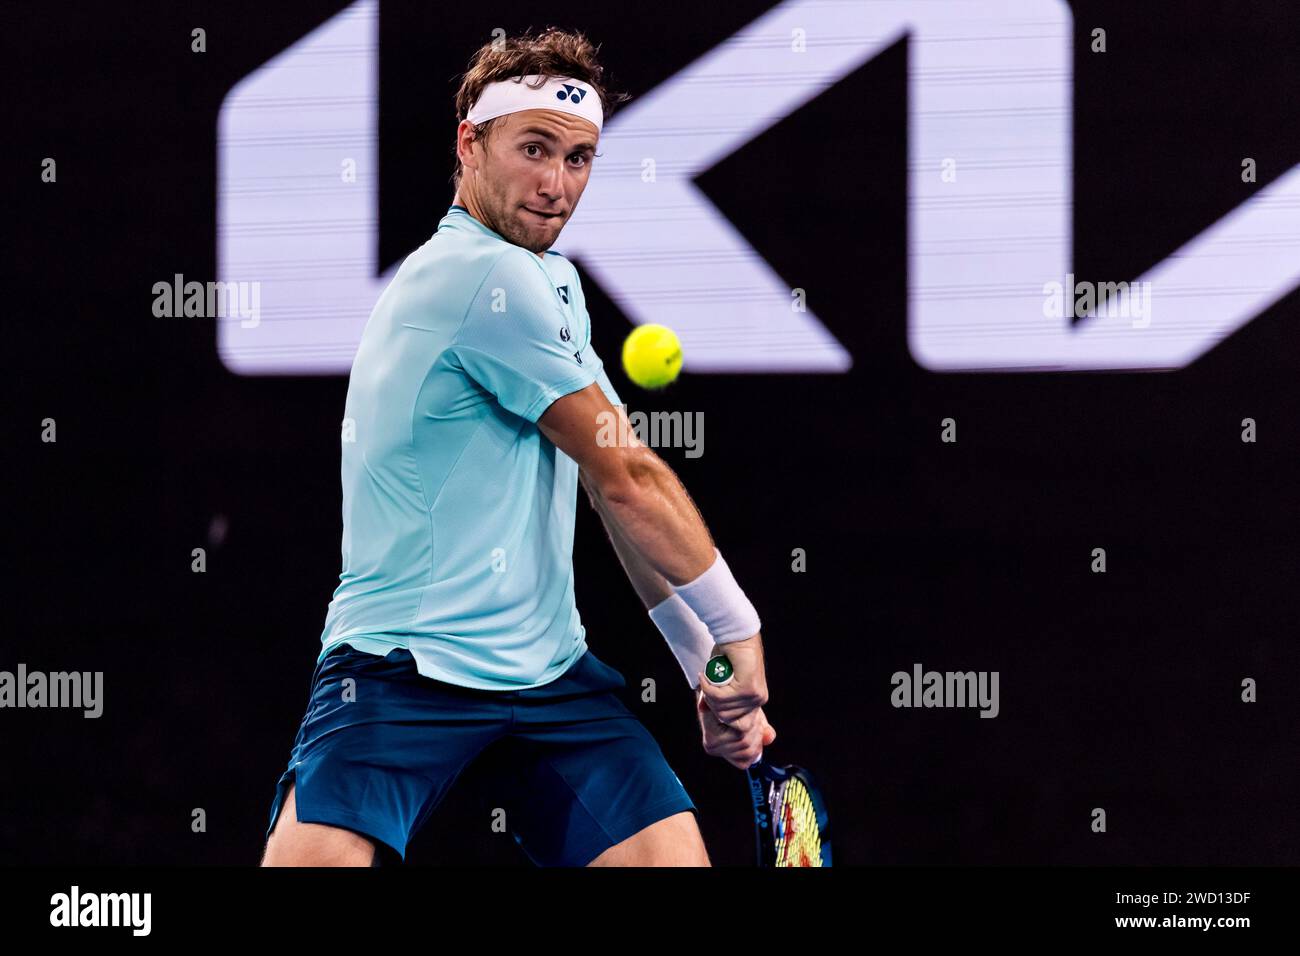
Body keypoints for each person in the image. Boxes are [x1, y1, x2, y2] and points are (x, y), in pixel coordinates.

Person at [261, 26, 774, 868]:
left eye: (578, 159)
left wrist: (703, 664)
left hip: (548, 676)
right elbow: (635, 476)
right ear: (470, 143)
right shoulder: (480, 277)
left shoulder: (550, 280)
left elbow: (611, 486)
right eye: (534, 149)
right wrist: (738, 629)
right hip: (402, 667)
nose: (556, 184)